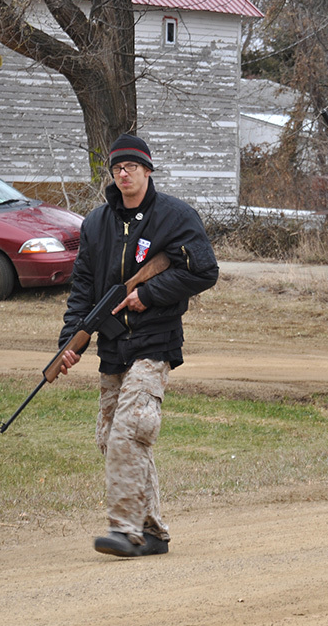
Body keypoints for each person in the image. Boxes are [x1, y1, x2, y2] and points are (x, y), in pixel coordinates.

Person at [58, 133, 219, 557]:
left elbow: (203, 271)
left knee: (131, 429)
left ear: (148, 170)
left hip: (155, 340)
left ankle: (124, 529)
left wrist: (148, 294)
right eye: (117, 167)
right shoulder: (96, 223)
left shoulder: (175, 217)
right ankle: (153, 531)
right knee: (109, 436)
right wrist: (69, 342)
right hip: (113, 346)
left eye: (132, 166)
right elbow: (82, 289)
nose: (124, 173)